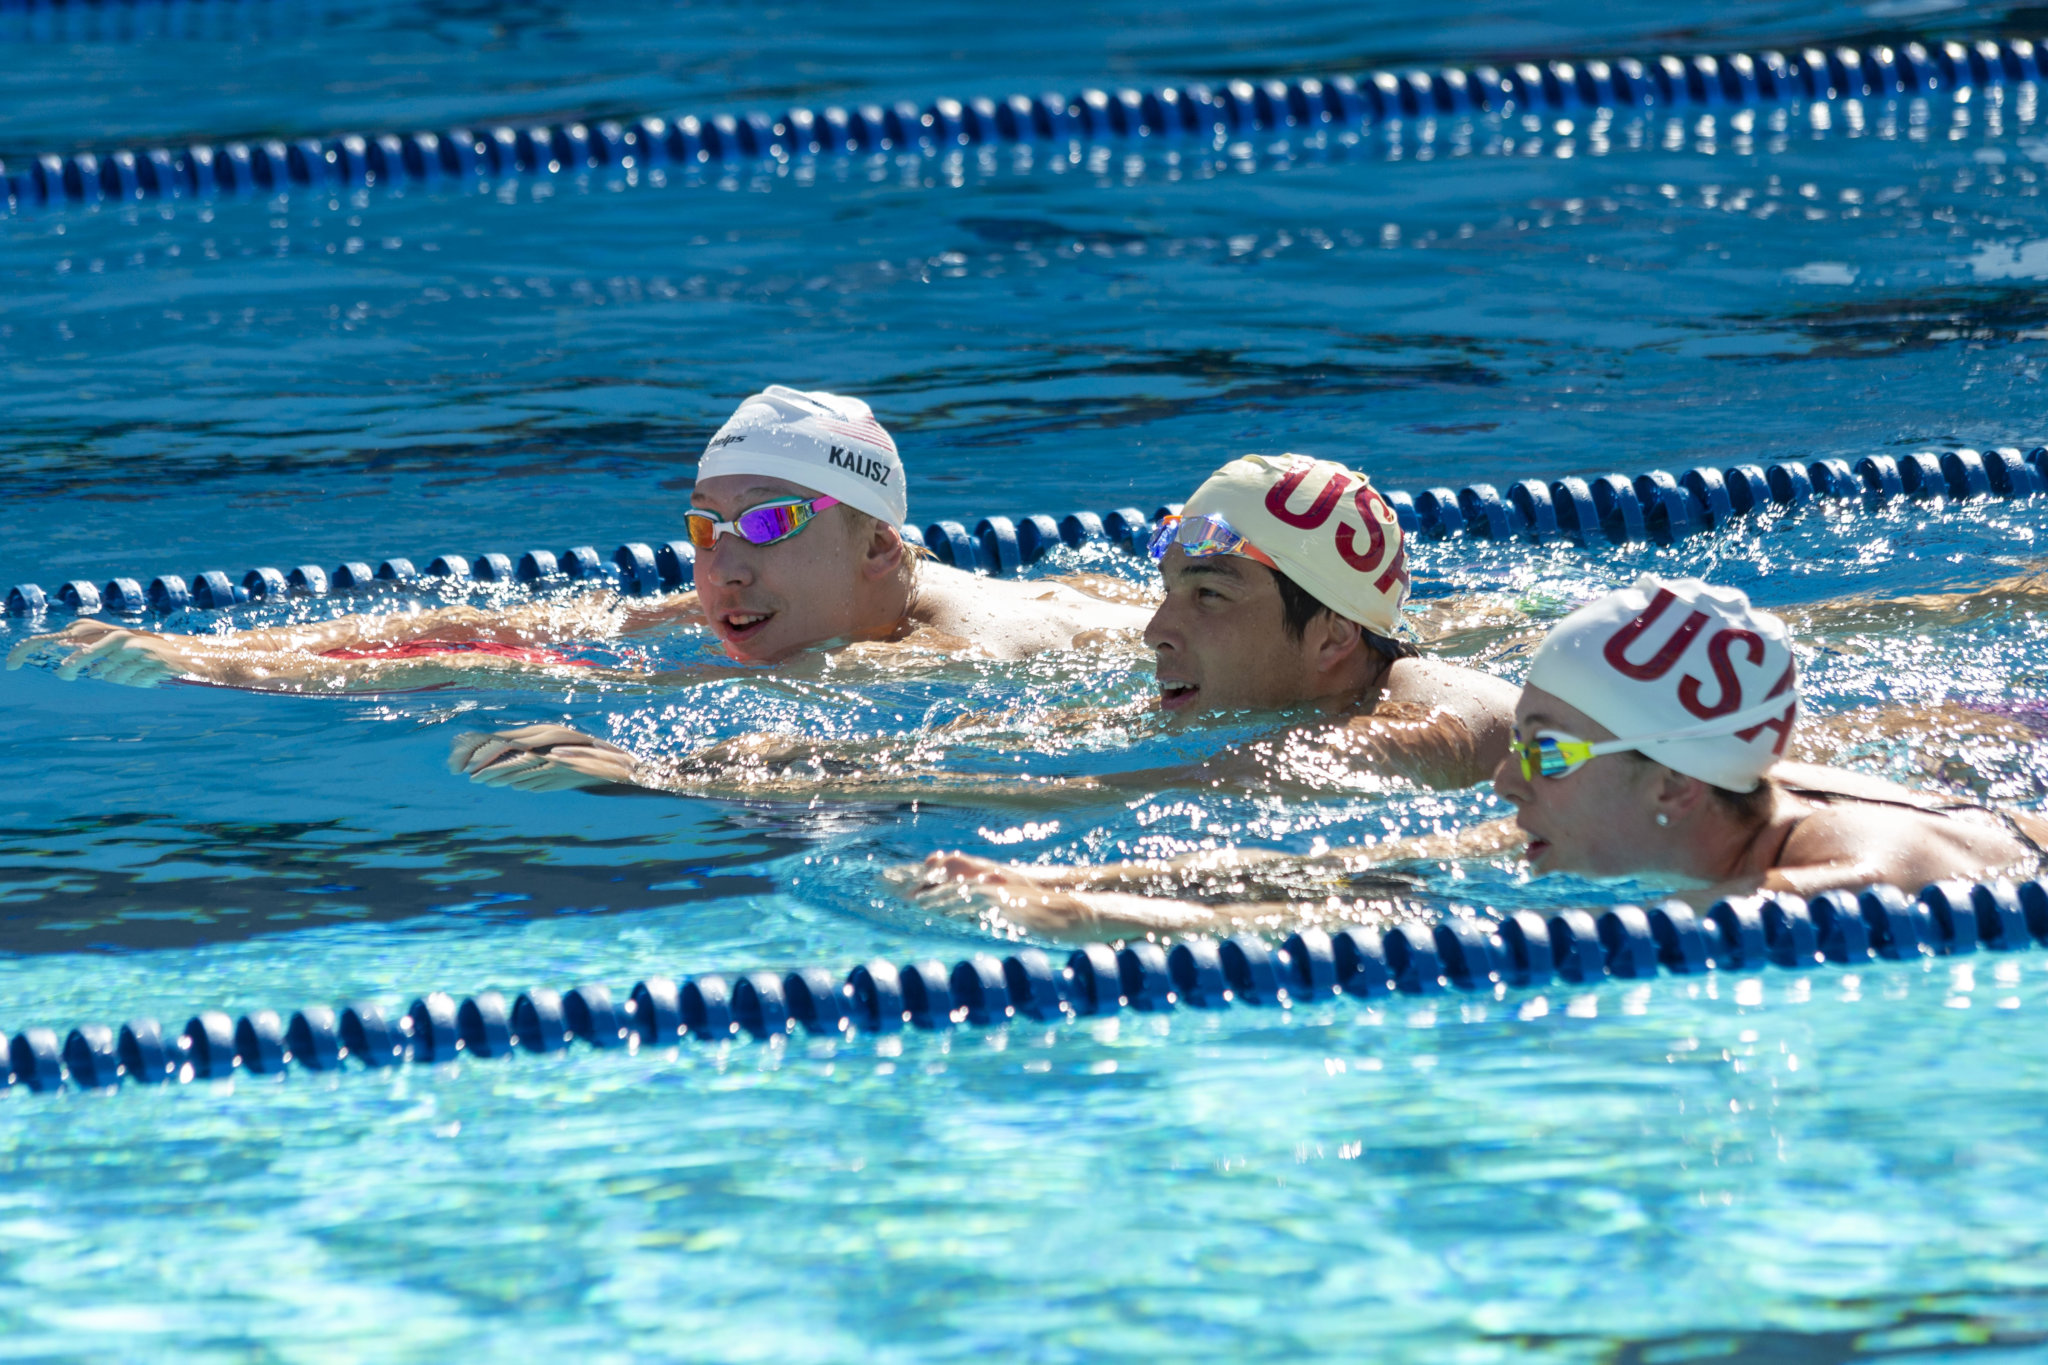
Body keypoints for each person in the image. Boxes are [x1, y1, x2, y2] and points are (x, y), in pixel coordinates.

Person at [915, 575, 2048, 937]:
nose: (1505, 776)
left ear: (1663, 784)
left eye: (1542, 751)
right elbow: (1386, 877)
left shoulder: (1843, 897)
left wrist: (1101, 925)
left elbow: (1437, 931)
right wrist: (1067, 887)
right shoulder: (1693, 802)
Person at [448, 453, 1522, 795]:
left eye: (1208, 597)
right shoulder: (1284, 685)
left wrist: (683, 781)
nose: (1153, 629)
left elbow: (1098, 789)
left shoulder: (1416, 734)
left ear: (1333, 640)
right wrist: (797, 758)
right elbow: (1049, 745)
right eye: (1165, 587)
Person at [7, 385, 1149, 693]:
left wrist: (229, 673)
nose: (720, 564)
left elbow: (543, 683)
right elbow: (543, 626)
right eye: (703, 529)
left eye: (763, 523)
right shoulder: (819, 603)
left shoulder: (923, 660)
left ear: (880, 551)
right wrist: (250, 641)